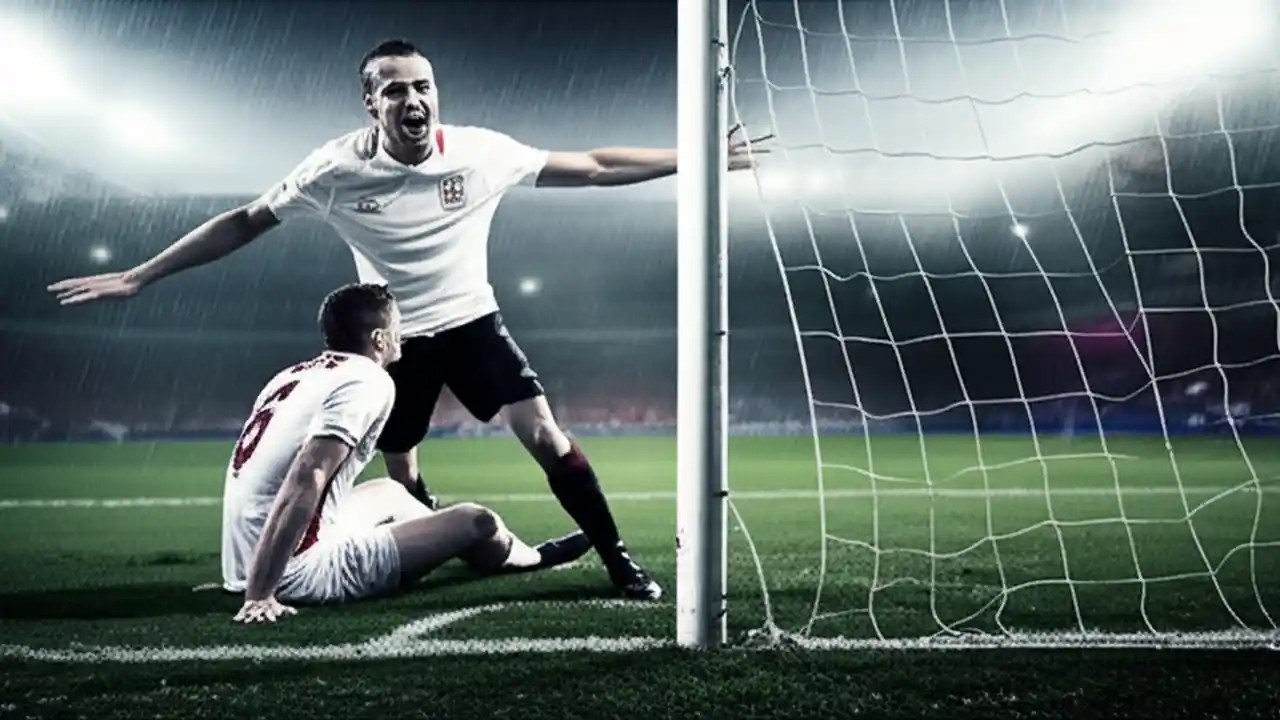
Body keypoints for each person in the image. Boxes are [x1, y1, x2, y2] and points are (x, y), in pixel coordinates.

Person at [48, 39, 765, 600]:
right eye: (396, 89)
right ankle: (431, 546)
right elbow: (243, 220)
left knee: (546, 434)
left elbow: (596, 165)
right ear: (371, 104)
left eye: (424, 86)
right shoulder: (334, 170)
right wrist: (140, 276)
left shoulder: (481, 151)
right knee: (401, 470)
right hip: (391, 343)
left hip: (472, 319)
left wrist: (694, 156)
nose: (415, 99)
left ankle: (619, 561)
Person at [224, 282, 590, 623]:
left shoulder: (291, 376)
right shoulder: (368, 380)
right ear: (380, 338)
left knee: (390, 491)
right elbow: (309, 473)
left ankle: (439, 540)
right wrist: (260, 593)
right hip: (297, 570)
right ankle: (527, 557)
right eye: (399, 325)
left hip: (245, 558)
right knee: (478, 522)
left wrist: (245, 571)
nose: (405, 333)